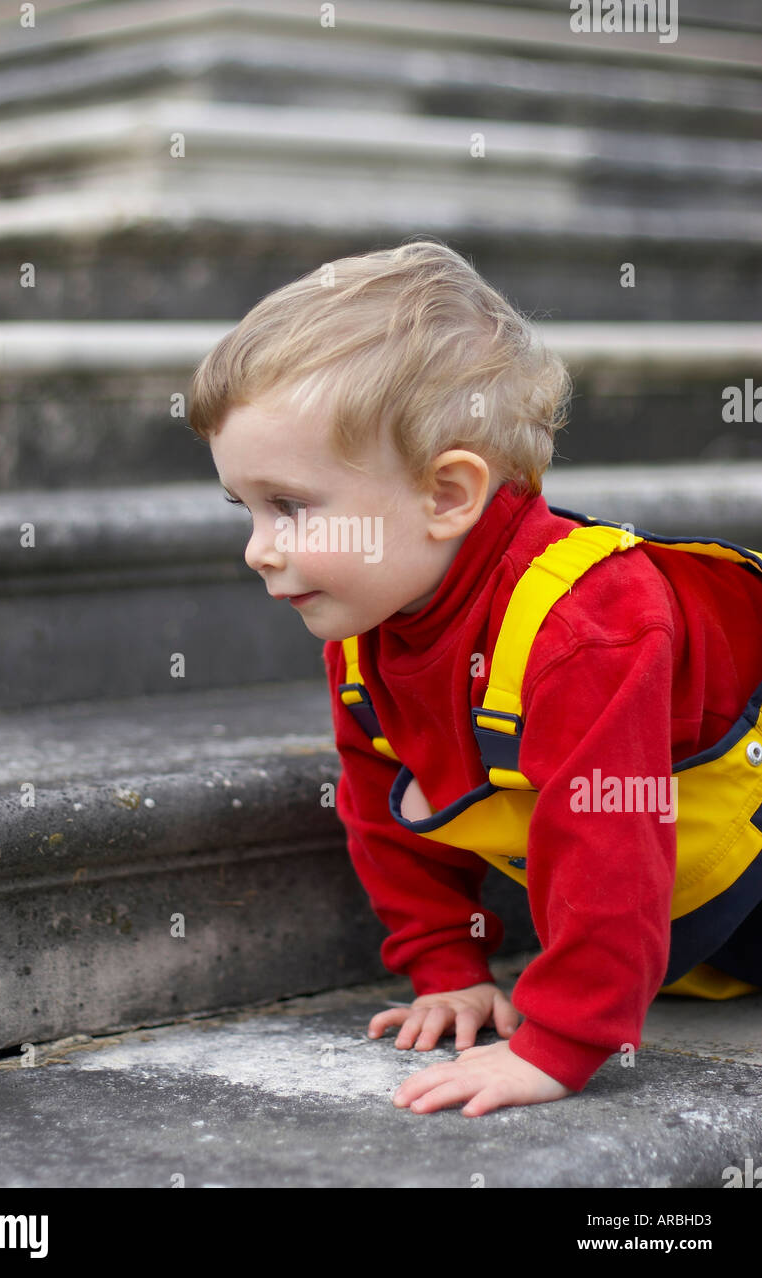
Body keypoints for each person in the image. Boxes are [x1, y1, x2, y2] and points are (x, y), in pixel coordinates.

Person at [189, 238, 762, 1118]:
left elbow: (607, 836)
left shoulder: (588, 623)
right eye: (247, 509)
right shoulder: (365, 625)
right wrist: (447, 966)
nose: (258, 550)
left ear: (448, 494)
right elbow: (384, 810)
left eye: (291, 507)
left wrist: (560, 1043)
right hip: (692, 917)